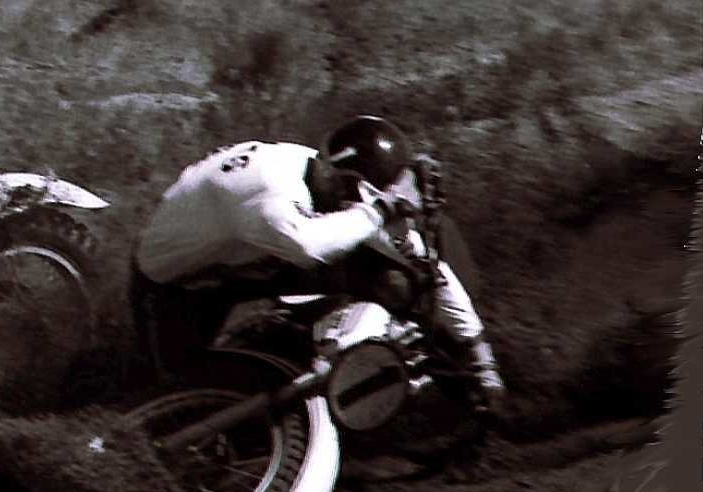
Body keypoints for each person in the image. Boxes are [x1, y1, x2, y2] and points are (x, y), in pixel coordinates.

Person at [130, 115, 506, 414]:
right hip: (175, 284)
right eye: (371, 199)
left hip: (248, 260)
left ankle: (313, 344)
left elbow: (421, 262)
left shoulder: (330, 180)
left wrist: (478, 350)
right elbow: (307, 247)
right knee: (175, 395)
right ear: (346, 184)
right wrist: (378, 210)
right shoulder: (267, 192)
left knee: (399, 279)